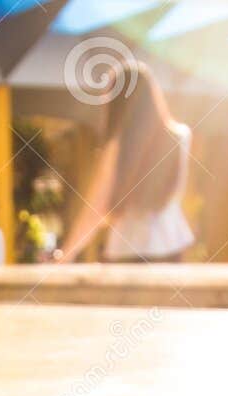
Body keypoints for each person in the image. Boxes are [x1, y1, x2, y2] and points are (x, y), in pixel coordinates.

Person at [58, 62, 193, 263]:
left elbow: (97, 207)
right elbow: (177, 194)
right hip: (172, 245)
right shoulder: (181, 136)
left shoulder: (117, 145)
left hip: (128, 250)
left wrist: (65, 255)